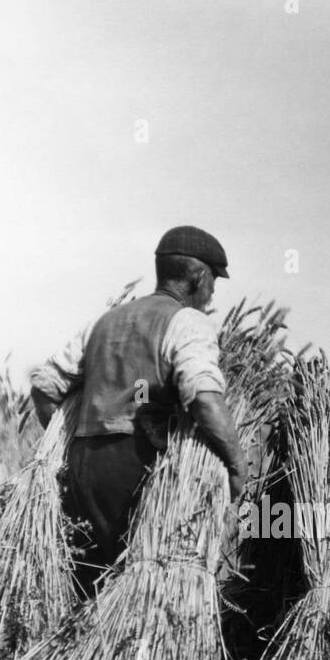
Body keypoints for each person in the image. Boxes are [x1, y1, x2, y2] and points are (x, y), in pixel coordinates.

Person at [30, 225, 247, 591]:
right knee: (141, 580)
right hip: (138, 462)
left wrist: (67, 441)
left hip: (83, 466)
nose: (211, 294)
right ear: (196, 277)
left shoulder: (104, 322)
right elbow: (205, 399)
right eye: (212, 282)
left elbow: (44, 387)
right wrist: (236, 463)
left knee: (89, 586)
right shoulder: (187, 321)